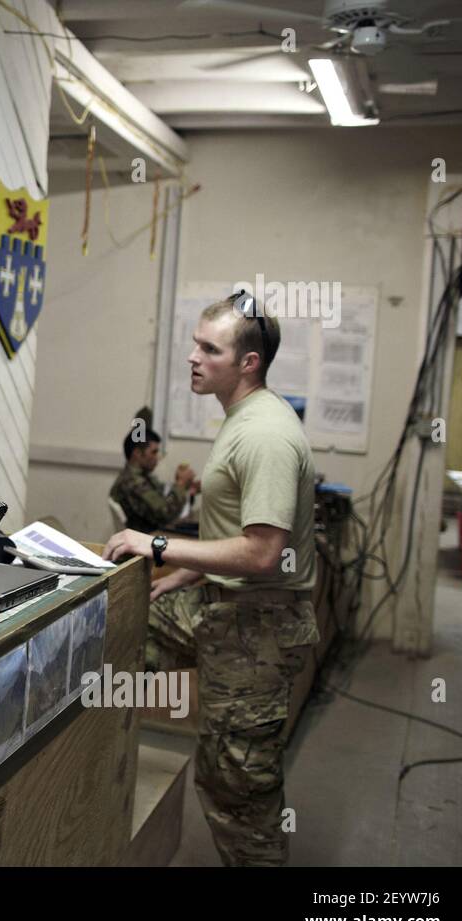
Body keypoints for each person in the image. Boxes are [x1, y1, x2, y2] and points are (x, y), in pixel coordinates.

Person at [102, 291, 319, 866]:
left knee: (235, 787)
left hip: (259, 626)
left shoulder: (266, 434)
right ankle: (89, 783)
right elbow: (232, 530)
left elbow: (262, 552)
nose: (193, 358)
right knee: (114, 639)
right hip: (219, 606)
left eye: (208, 348)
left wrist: (158, 545)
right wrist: (179, 576)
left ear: (248, 363)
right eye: (194, 344)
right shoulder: (241, 418)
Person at [109, 424, 197, 534]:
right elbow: (165, 513)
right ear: (137, 453)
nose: (158, 457)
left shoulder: (141, 476)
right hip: (145, 540)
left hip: (150, 536)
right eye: (154, 452)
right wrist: (181, 484)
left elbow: (164, 497)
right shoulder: (132, 482)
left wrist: (187, 488)